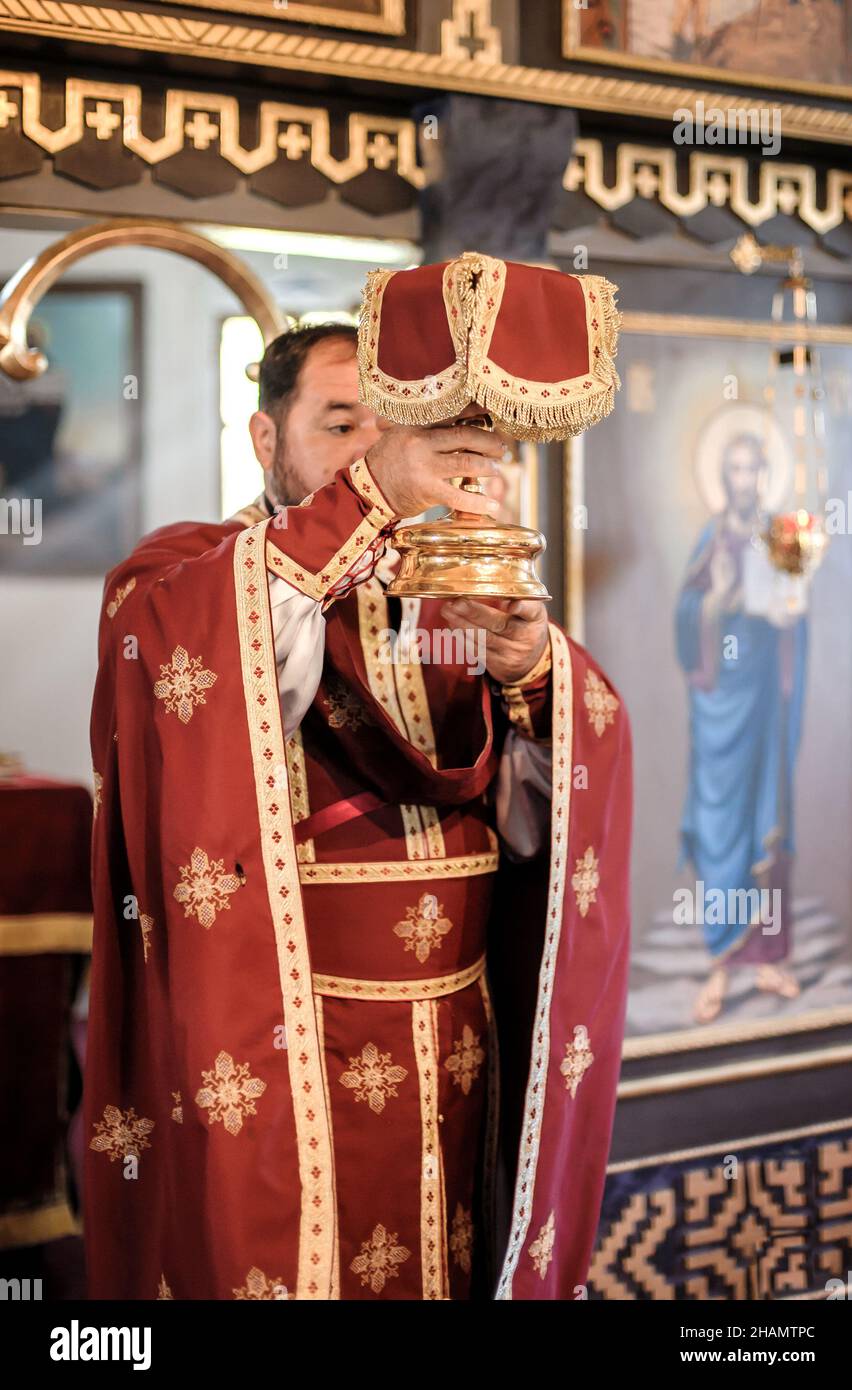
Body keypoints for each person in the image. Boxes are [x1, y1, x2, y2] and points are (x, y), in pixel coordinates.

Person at [85, 258, 631, 1302]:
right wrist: (369, 498)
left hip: (462, 1034)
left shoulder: (444, 586)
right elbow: (204, 682)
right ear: (264, 437)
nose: (370, 453)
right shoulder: (186, 576)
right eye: (345, 424)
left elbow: (534, 824)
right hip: (295, 1034)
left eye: (389, 428)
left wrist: (532, 671)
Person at [676, 432, 807, 1025]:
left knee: (767, 818)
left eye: (753, 469)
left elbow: (794, 610)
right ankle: (721, 962)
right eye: (735, 469)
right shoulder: (714, 539)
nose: (744, 479)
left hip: (765, 696)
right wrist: (718, 601)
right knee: (721, 821)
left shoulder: (780, 535)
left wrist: (790, 611)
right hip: (720, 696)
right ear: (724, 476)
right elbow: (686, 615)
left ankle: (771, 956)